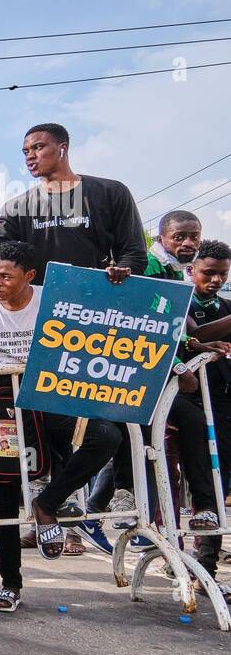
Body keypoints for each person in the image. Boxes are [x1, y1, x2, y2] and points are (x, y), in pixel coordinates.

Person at [0, 241, 121, 608]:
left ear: (30, 277)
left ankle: (48, 504)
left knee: (105, 435)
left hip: (50, 393)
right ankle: (11, 584)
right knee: (4, 491)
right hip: (1, 400)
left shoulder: (50, 299)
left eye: (5, 275)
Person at [0, 122, 147, 284]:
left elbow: (133, 253)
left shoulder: (110, 192)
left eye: (38, 147)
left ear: (62, 149)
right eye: (25, 152)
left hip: (96, 305)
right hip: (42, 309)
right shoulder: (17, 207)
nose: (30, 156)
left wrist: (121, 273)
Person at [177, 239, 231, 598]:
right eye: (208, 273)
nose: (214, 280)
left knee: (220, 480)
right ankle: (191, 564)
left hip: (224, 401)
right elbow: (192, 335)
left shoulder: (226, 305)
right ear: (191, 271)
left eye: (222, 274)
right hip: (188, 402)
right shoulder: (179, 302)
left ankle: (206, 566)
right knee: (200, 481)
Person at [145, 210, 201, 281]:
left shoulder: (176, 266)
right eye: (178, 237)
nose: (188, 243)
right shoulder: (149, 267)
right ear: (160, 240)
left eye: (195, 237)